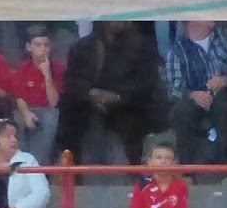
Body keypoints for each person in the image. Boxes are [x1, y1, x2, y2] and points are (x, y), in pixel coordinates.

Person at [54, 22, 160, 166]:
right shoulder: (82, 46)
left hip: (128, 103)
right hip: (89, 102)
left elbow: (147, 82)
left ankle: (133, 169)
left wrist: (118, 97)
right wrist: (90, 94)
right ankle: (71, 164)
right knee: (69, 108)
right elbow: (71, 81)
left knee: (134, 117)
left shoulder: (142, 47)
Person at [166, 20, 227, 168]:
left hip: (226, 94)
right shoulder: (177, 49)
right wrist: (193, 94)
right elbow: (173, 87)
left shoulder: (225, 38)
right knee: (182, 110)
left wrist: (226, 78)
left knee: (226, 105)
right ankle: (188, 172)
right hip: (195, 101)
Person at [10, 25, 64, 164]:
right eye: (38, 45)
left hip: (48, 112)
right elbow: (19, 97)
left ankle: (39, 165)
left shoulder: (57, 68)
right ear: (29, 47)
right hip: (27, 110)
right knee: (17, 118)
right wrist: (26, 113)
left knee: (50, 117)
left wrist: (47, 75)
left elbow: (53, 102)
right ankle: (21, 164)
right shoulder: (23, 69)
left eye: (46, 45)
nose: (43, 49)